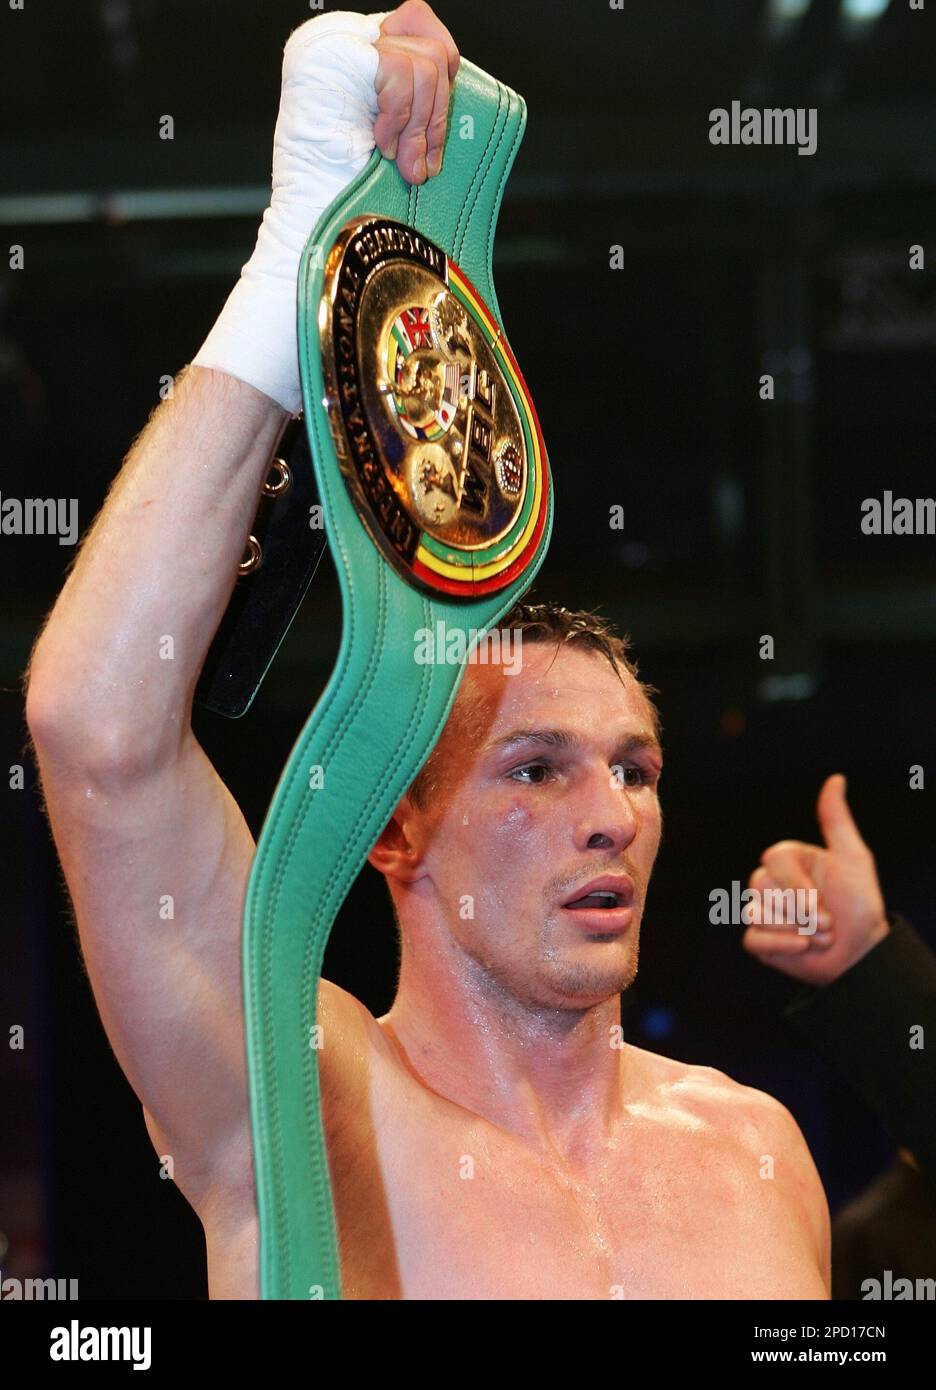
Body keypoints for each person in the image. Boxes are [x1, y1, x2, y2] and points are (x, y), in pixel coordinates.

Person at [25, 3, 830, 1299]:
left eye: (636, 768)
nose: (610, 815)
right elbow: (93, 728)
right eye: (534, 768)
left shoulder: (761, 1153)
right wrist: (298, 249)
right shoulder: (301, 1093)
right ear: (395, 828)